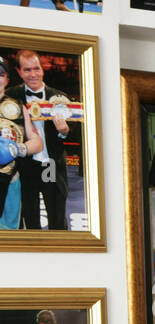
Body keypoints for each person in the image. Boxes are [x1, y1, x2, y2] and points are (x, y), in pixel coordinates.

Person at [5, 50, 73, 230]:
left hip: (49, 163)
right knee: (30, 216)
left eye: (36, 68)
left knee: (56, 213)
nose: (33, 74)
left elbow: (76, 132)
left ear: (42, 70)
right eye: (27, 70)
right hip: (25, 164)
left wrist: (64, 131)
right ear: (19, 72)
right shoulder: (10, 96)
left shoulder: (59, 97)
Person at [0, 59, 45, 230]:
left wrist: (18, 149)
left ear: (7, 79)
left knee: (9, 237)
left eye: (1, 74)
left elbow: (37, 142)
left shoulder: (18, 107)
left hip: (10, 180)